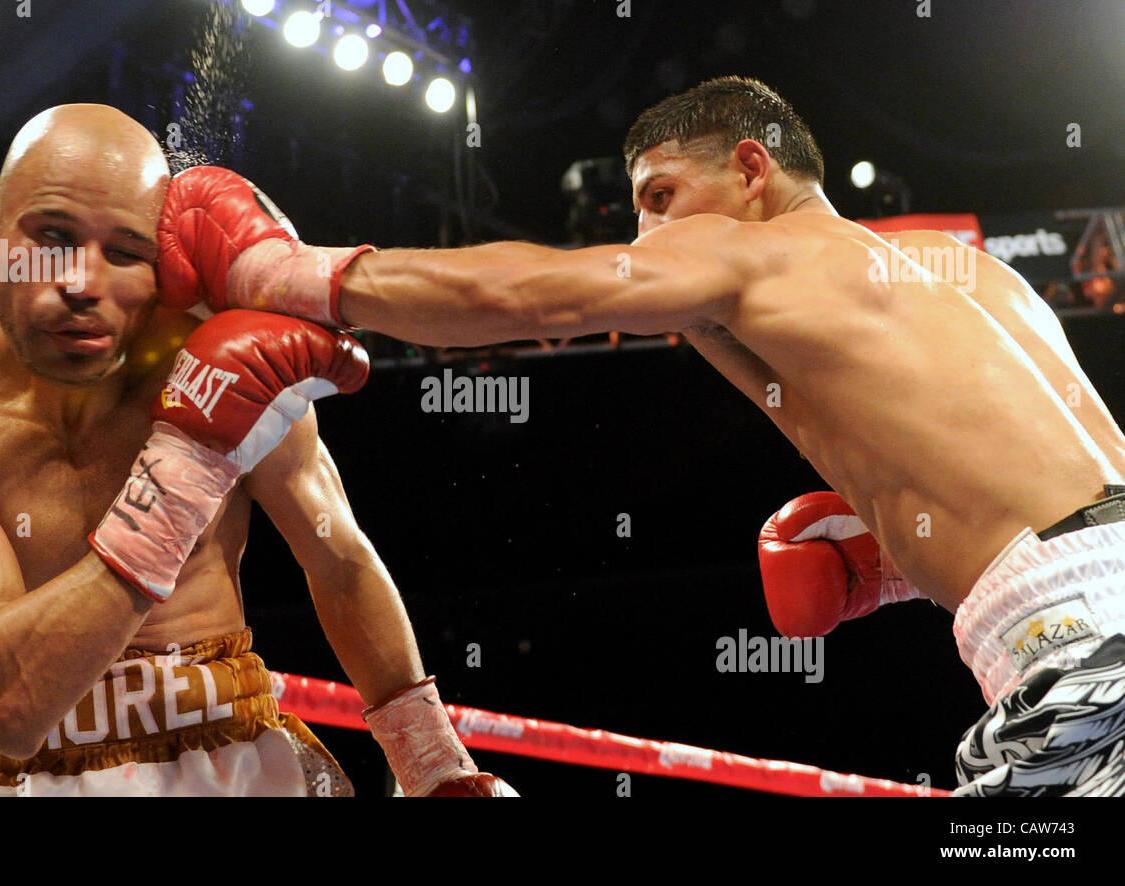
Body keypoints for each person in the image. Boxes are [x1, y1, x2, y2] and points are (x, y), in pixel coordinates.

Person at [159, 76, 1125, 796]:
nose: (647, 236)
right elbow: (1080, 502)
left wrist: (292, 274)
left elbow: (519, 295)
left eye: (661, 197)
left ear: (751, 168)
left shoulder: (756, 255)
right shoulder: (972, 276)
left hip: (1074, 649)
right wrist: (898, 563)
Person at [0, 103, 511, 797]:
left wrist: (433, 765)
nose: (83, 283)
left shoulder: (220, 355)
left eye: (125, 252)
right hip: (15, 777)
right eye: (54, 236)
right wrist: (190, 464)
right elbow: (6, 703)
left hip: (232, 753)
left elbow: (337, 559)